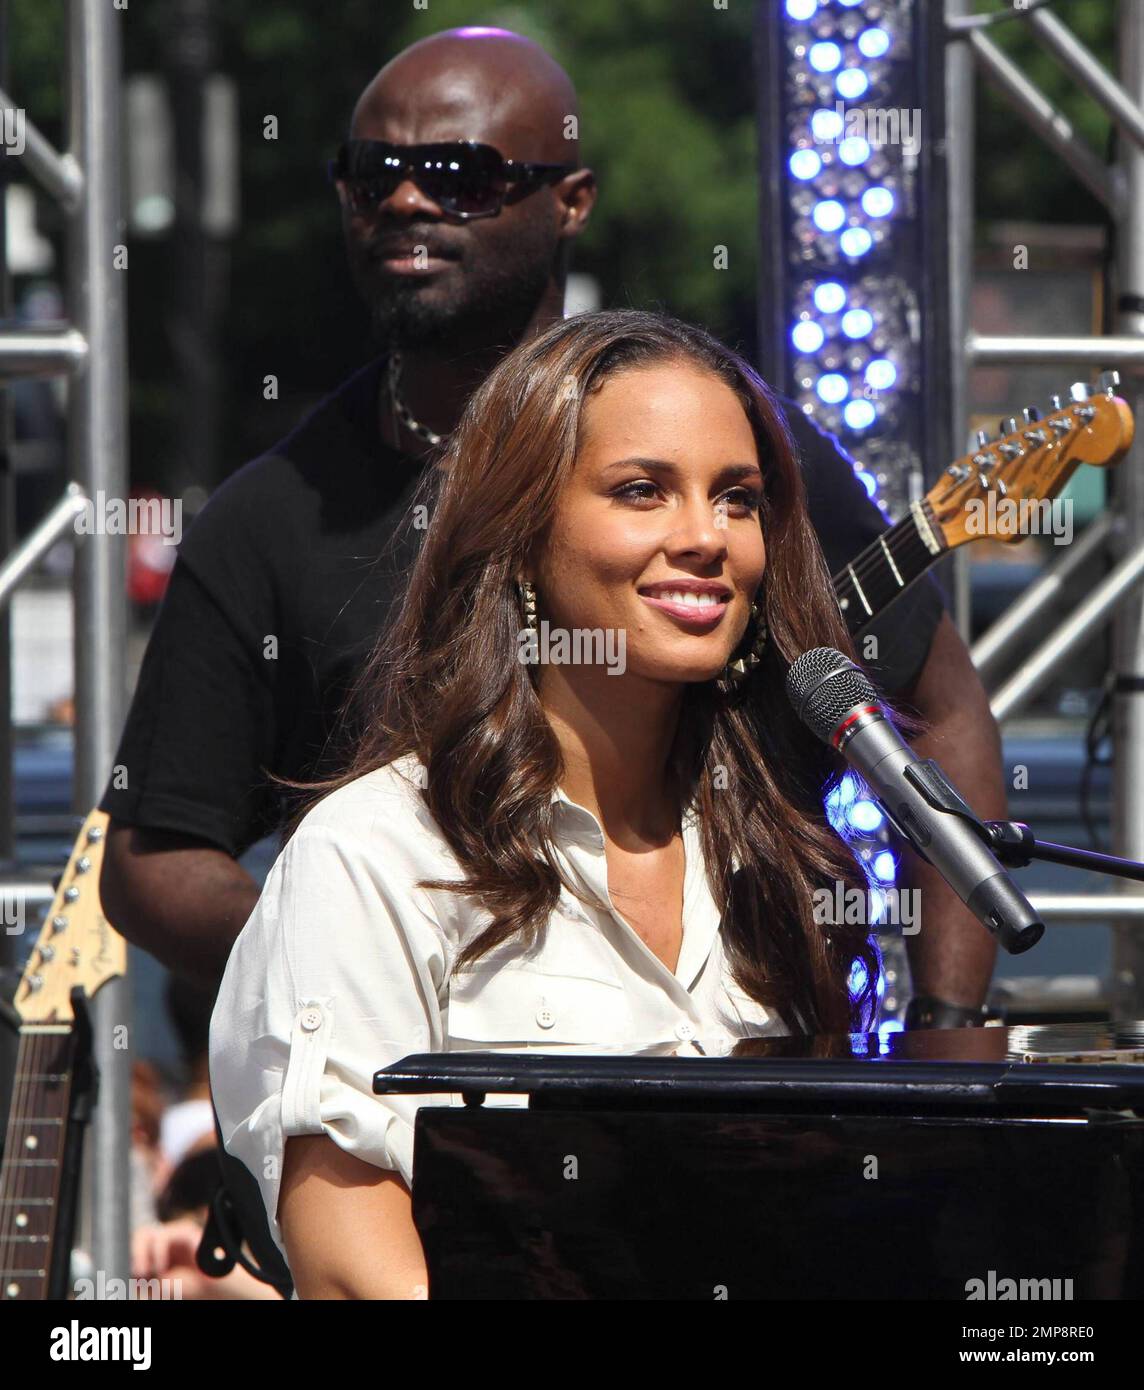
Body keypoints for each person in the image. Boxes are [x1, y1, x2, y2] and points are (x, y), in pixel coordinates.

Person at [102, 27, 1004, 1028]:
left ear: (570, 200)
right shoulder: (267, 516)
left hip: (741, 1076)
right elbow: (153, 862)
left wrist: (950, 1018)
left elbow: (940, 708)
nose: (406, 200)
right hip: (422, 1119)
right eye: (372, 176)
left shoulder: (725, 447)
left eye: (459, 174)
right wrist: (370, 956)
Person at [209, 309, 888, 1299]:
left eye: (736, 499)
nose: (703, 537)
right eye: (641, 491)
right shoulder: (373, 854)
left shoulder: (774, 858)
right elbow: (356, 1271)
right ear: (520, 531)